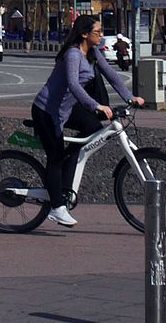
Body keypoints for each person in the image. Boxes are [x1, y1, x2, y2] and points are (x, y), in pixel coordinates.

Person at [31, 14, 142, 227]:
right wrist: (96, 106)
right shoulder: (73, 54)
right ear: (84, 34)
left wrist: (129, 97)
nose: (101, 35)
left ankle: (67, 177)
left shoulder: (92, 52)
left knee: (93, 129)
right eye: (97, 32)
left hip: (66, 109)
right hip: (46, 110)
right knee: (54, 157)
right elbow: (73, 84)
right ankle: (56, 208)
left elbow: (111, 74)